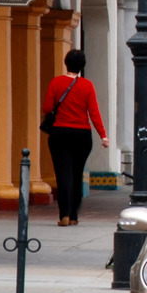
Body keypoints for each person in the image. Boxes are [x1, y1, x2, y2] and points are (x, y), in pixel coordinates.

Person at [43, 49, 107, 226]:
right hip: (82, 135)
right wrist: (103, 135)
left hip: (60, 133)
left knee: (63, 174)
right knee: (77, 174)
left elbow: (47, 107)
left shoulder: (56, 83)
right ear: (82, 66)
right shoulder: (87, 86)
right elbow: (94, 112)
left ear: (66, 63)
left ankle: (63, 213)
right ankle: (74, 216)